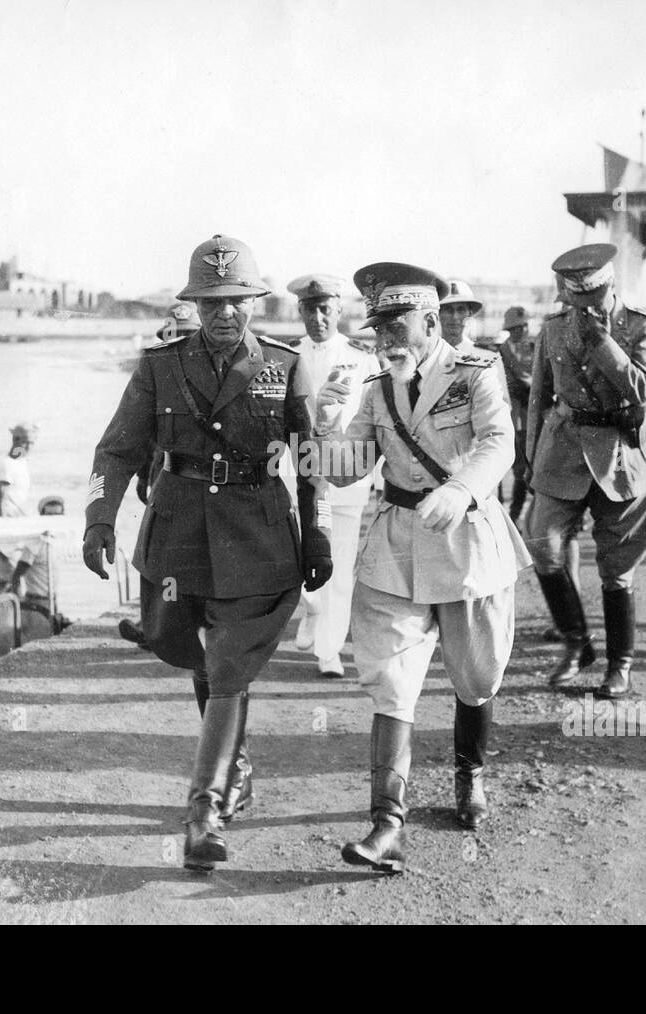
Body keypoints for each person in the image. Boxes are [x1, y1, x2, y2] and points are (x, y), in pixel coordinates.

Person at [81, 234, 332, 872]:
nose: (225, 313)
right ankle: (236, 765)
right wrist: (99, 518)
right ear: (195, 304)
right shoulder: (160, 366)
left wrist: (319, 530)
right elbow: (116, 450)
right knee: (199, 654)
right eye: (212, 301)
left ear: (255, 302)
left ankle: (205, 810)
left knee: (227, 665)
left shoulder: (285, 364)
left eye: (237, 300)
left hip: (257, 535)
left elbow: (310, 461)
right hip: (179, 535)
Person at [315, 262, 529, 872]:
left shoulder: (477, 371)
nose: (387, 338)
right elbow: (346, 470)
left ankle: (470, 775)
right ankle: (387, 825)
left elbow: (499, 442)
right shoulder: (375, 386)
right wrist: (324, 425)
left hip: (467, 542)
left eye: (397, 325)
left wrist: (461, 489)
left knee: (476, 676)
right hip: (397, 549)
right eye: (379, 326)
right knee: (390, 680)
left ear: (431, 323)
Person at [525, 243, 646, 699]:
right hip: (564, 450)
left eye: (593, 296)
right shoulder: (554, 328)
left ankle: (619, 665)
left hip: (623, 454)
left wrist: (602, 343)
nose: (585, 306)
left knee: (617, 567)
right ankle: (577, 643)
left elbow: (645, 388)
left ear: (610, 285)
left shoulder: (641, 326)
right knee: (542, 544)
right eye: (577, 298)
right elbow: (540, 396)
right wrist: (531, 459)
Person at [286, 273, 381, 679]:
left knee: (339, 566)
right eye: (309, 310)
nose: (318, 318)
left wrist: (375, 477)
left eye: (325, 309)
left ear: (339, 310)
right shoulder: (287, 356)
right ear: (300, 311)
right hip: (297, 473)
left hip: (345, 474)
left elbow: (373, 420)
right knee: (297, 555)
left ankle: (330, 650)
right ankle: (312, 609)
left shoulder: (361, 357)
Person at [119, 304, 202, 650]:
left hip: (202, 484)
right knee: (156, 553)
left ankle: (174, 628)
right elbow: (143, 434)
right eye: (174, 337)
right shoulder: (158, 377)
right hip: (163, 477)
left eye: (187, 336)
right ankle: (153, 625)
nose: (180, 344)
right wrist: (143, 477)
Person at [0, 494, 69, 637]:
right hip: (36, 603)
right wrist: (19, 603)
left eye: (57, 516)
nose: (53, 520)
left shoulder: (55, 542)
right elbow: (16, 575)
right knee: (37, 638)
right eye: (49, 516)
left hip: (51, 600)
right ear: (42, 517)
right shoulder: (35, 544)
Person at [0, 424, 37, 517]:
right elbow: (1, 498)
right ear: (15, 440)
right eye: (25, 442)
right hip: (9, 516)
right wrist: (2, 522)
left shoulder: (22, 463)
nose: (28, 447)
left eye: (31, 443)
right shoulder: (6, 464)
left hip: (20, 516)